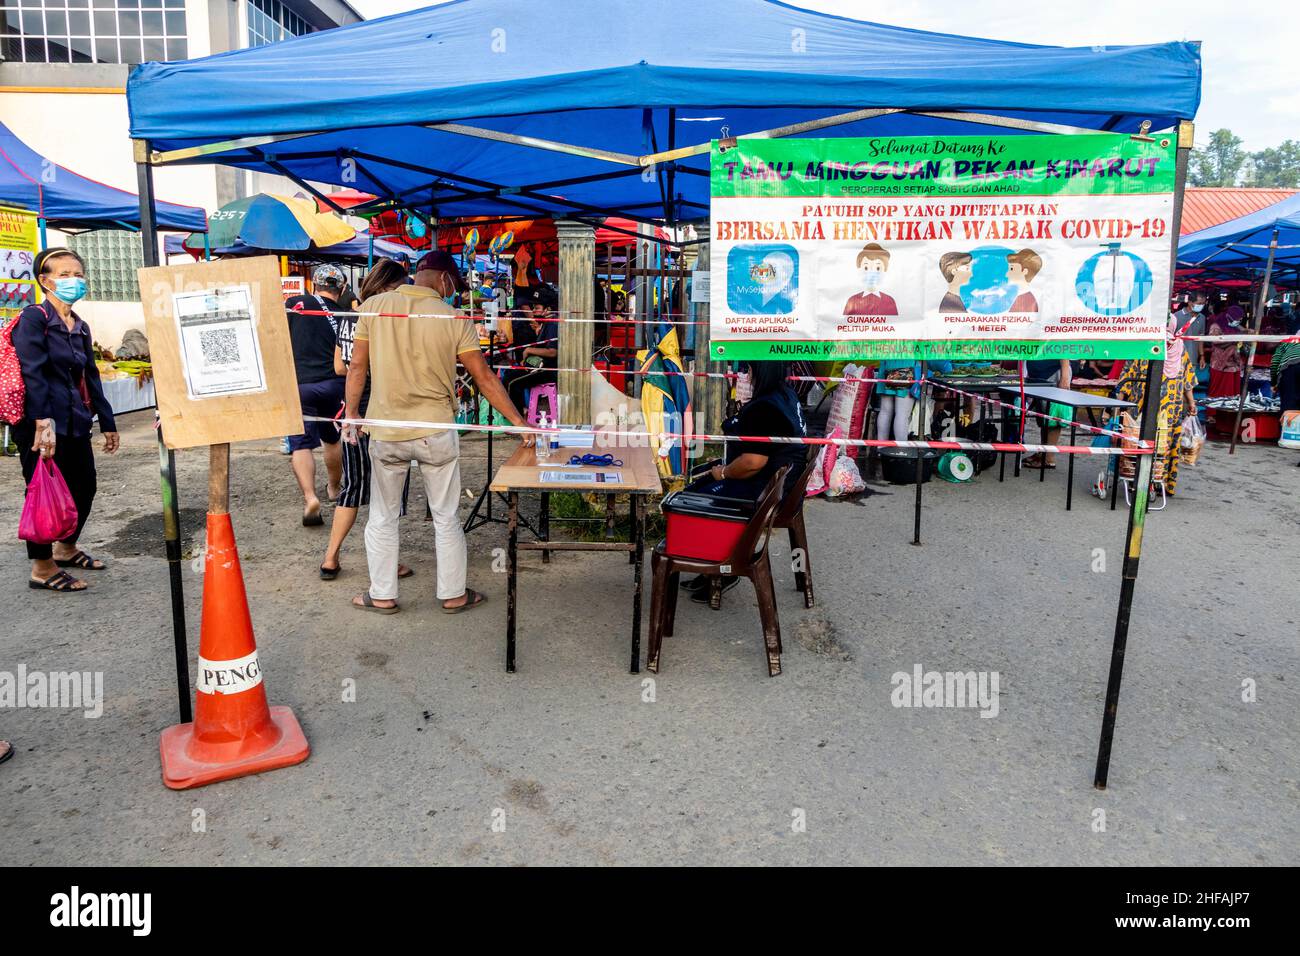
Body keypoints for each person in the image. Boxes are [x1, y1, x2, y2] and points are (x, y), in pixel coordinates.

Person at [343, 250, 532, 614]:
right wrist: (518, 423)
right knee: (445, 516)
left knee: (382, 515)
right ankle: (453, 595)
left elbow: (357, 368)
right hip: (436, 430)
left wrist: (352, 415)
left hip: (387, 429)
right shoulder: (454, 318)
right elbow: (484, 378)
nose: (453, 291)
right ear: (443, 279)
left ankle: (381, 594)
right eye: (453, 284)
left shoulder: (374, 307)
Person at [12, 247, 119, 592]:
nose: (74, 281)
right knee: (42, 492)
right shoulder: (34, 319)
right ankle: (42, 568)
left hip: (74, 419)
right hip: (39, 422)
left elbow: (90, 375)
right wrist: (43, 422)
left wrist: (108, 420)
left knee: (84, 486)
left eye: (78, 274)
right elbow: (33, 372)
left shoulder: (80, 326)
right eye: (64, 274)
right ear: (45, 280)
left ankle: (66, 548)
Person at [681, 360, 807, 602]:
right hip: (786, 488)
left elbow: (752, 463)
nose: (747, 376)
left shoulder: (765, 408)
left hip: (768, 492)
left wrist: (725, 472)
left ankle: (723, 568)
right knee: (702, 484)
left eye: (749, 370)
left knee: (695, 497)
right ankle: (710, 567)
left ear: (761, 372)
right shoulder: (787, 396)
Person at [320, 257, 413, 580]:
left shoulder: (349, 316)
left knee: (353, 487)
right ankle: (388, 563)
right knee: (389, 490)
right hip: (385, 411)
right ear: (389, 286)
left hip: (351, 413)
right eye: (401, 287)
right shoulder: (388, 317)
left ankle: (330, 557)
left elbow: (340, 367)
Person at [1113, 313, 1197, 496]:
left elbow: (1127, 376)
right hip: (1168, 409)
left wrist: (1117, 404)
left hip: (1145, 407)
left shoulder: (1146, 344)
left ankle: (1142, 480)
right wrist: (1191, 402)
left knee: (1144, 441)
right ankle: (1157, 481)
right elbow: (1187, 379)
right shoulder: (1178, 347)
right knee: (1163, 443)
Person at [285, 292, 345, 526]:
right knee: (332, 439)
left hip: (299, 384)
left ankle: (310, 498)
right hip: (331, 383)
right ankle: (333, 488)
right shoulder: (340, 313)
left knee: (300, 444)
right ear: (340, 289)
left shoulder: (293, 304)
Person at [505, 286, 560, 415]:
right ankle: (522, 411)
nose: (534, 311)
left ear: (548, 309)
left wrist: (529, 350)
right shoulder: (546, 323)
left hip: (547, 370)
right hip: (538, 367)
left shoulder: (552, 323)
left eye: (537, 308)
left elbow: (553, 352)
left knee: (512, 383)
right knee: (508, 375)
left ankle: (519, 416)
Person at [1020, 358, 1072, 470]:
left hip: (1054, 373)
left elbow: (1063, 348)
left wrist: (1064, 376)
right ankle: (1043, 452)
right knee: (1044, 417)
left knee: (1054, 417)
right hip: (1040, 375)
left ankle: (1049, 458)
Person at [1206, 301, 1246, 403]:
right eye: (1237, 319)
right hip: (1220, 364)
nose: (1238, 321)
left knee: (1232, 394)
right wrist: (1233, 339)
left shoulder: (1235, 326)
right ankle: (1213, 415)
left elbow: (1244, 331)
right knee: (1217, 393)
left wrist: (1247, 332)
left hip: (1234, 365)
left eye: (1240, 320)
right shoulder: (1216, 326)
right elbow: (1214, 340)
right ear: (1230, 317)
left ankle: (1228, 417)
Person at [842, 243, 898, 316]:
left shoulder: (889, 301)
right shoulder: (852, 301)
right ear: (859, 269)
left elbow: (895, 325)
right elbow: (845, 324)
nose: (871, 273)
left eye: (878, 268)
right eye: (866, 268)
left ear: (885, 270)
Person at [1005, 249, 1041, 313]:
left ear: (1025, 271)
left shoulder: (1025, 300)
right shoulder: (1021, 297)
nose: (1007, 274)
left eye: (1011, 269)